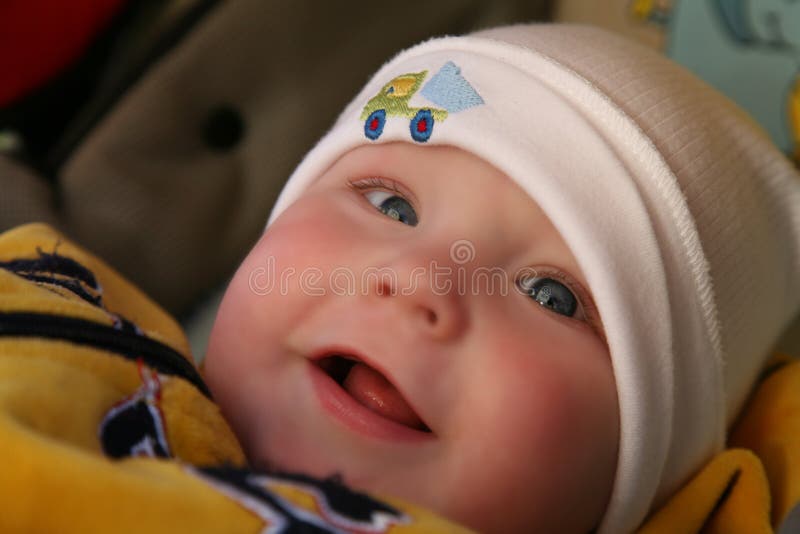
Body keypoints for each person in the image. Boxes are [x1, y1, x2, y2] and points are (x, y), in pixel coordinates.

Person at [1, 24, 799, 534]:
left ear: (640, 488)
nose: (417, 282)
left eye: (552, 296)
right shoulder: (57, 350)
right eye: (390, 202)